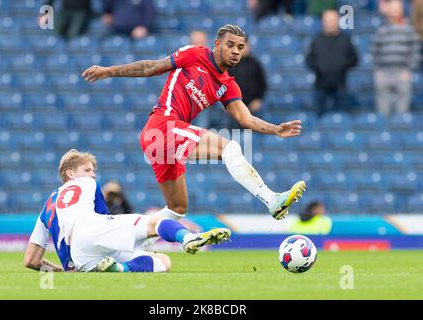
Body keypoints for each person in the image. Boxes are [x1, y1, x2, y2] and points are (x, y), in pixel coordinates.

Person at [82, 24, 306, 223]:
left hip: (163, 141)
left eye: (240, 46)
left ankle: (117, 232)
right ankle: (271, 199)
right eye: (230, 45)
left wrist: (276, 129)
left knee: (177, 209)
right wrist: (108, 71)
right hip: (162, 126)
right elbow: (150, 67)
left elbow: (246, 119)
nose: (236, 51)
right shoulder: (194, 54)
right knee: (230, 148)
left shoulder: (228, 85)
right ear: (217, 45)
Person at [23, 149, 231, 273]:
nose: (92, 175)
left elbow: (31, 261)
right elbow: (103, 220)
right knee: (153, 224)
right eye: (87, 170)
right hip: (93, 230)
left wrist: (58, 270)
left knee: (163, 262)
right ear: (70, 173)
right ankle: (187, 238)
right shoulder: (87, 184)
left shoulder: (47, 207)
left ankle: (120, 269)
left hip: (80, 259)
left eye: (93, 171)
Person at [371, 0, 420, 115]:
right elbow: (374, 52)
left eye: (396, 10)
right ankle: (384, 132)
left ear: (401, 11)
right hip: (384, 73)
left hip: (402, 72)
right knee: (383, 111)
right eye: (392, 10)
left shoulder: (409, 29)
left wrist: (408, 70)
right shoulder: (381, 30)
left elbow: (415, 51)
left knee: (402, 112)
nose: (394, 13)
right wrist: (378, 71)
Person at [306, 10, 358, 116]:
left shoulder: (345, 39)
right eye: (328, 21)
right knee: (319, 115)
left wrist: (342, 65)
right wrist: (320, 67)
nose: (330, 23)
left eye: (333, 21)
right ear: (323, 22)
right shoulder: (316, 40)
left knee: (342, 115)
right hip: (321, 84)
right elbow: (309, 60)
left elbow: (354, 59)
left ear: (338, 21)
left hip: (340, 84)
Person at [228, 35, 267, 127]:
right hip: (234, 106)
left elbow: (263, 84)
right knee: (234, 134)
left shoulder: (255, 63)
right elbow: (224, 84)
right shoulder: (230, 64)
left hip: (252, 106)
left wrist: (258, 100)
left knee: (253, 133)